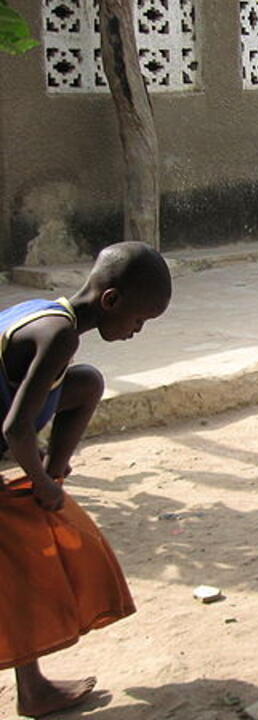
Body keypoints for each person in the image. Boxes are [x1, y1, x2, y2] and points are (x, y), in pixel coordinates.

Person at [0, 241, 171, 718]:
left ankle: (33, 687)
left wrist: (50, 468)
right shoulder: (59, 336)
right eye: (139, 320)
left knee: (88, 381)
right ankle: (32, 690)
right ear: (111, 301)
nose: (137, 331)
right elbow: (14, 429)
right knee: (21, 562)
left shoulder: (44, 314)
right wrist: (44, 486)